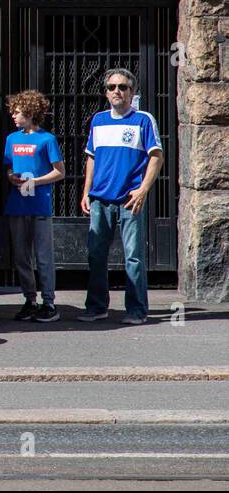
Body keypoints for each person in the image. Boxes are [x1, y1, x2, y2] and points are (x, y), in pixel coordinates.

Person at [80, 68, 163, 325]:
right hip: (100, 198)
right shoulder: (98, 120)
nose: (117, 91)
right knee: (96, 254)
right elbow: (91, 158)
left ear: (132, 91)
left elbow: (156, 156)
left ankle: (136, 310)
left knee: (134, 256)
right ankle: (96, 307)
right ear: (106, 92)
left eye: (123, 87)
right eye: (112, 87)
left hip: (130, 198)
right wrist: (86, 191)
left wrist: (143, 189)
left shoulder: (143, 120)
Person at [3, 90, 66, 323]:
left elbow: (60, 172)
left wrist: (36, 181)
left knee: (43, 256)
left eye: (17, 112)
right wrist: (11, 177)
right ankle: (30, 299)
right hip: (17, 203)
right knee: (21, 256)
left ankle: (48, 301)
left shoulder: (47, 139)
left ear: (30, 113)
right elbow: (8, 166)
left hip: (39, 204)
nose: (13, 116)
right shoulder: (11, 139)